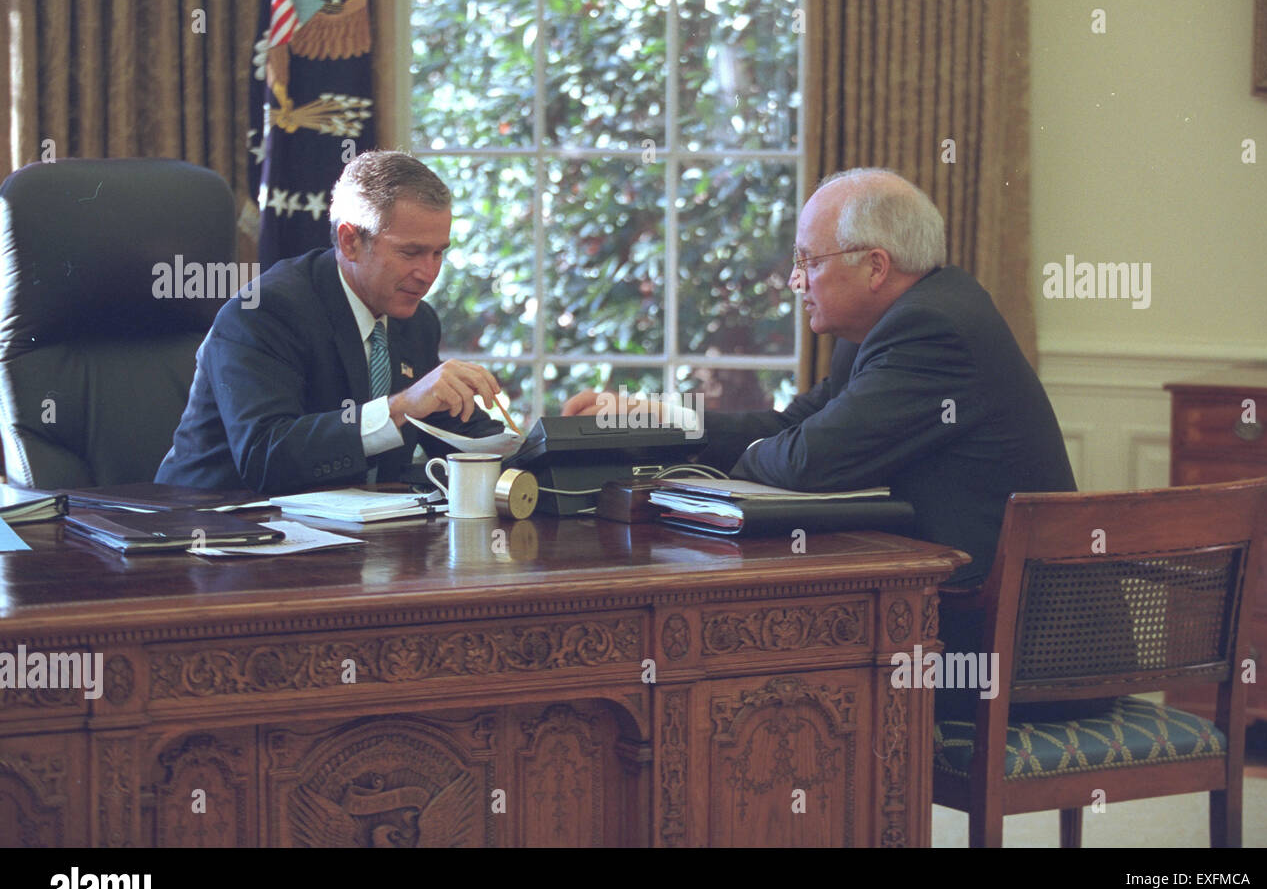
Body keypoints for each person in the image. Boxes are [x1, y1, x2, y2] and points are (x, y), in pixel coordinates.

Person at [565, 168, 1079, 717]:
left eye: (809, 261)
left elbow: (809, 459)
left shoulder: (933, 330)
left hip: (1012, 654)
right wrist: (660, 422)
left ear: (875, 266)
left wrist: (743, 461)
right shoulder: (892, 325)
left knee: (767, 691)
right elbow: (792, 425)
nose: (795, 280)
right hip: (952, 616)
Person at [157, 151, 504, 494]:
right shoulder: (266, 311)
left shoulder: (416, 322)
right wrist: (400, 407)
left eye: (438, 252)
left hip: (354, 536)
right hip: (211, 530)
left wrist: (550, 445)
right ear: (350, 241)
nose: (428, 274)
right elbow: (265, 456)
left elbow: (463, 438)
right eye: (410, 253)